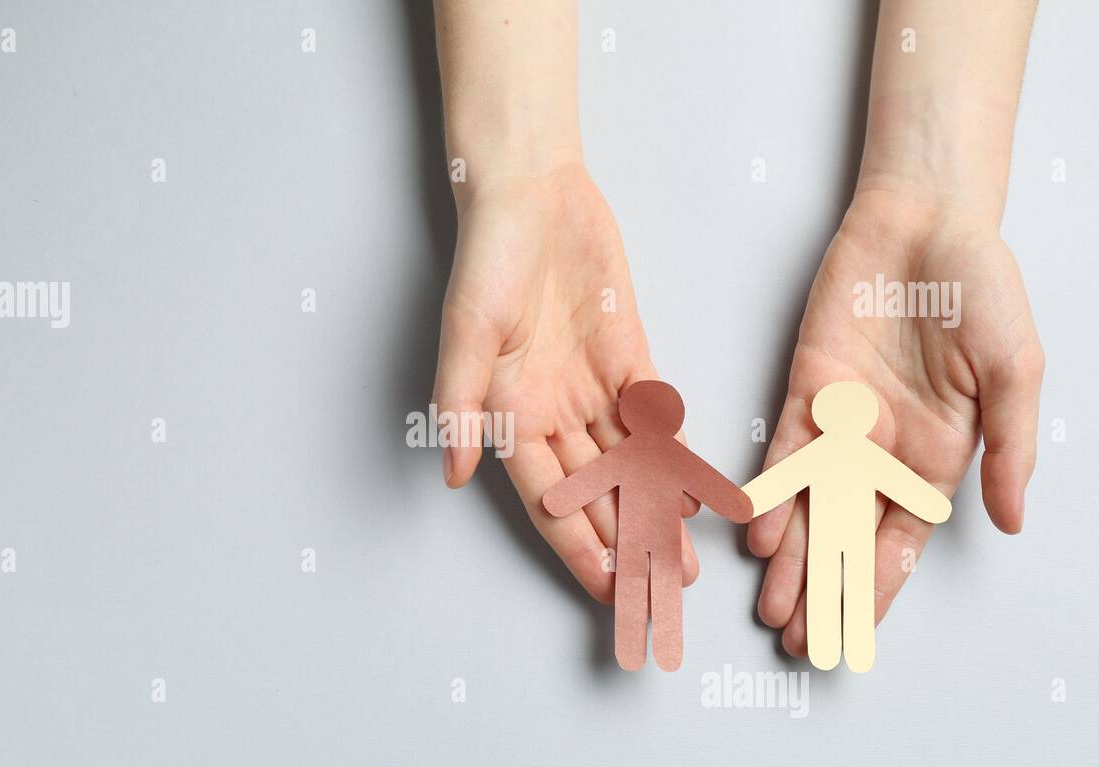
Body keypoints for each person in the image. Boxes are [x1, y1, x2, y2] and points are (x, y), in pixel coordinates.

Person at [430, 1, 1044, 661]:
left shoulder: (658, 449)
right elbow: (720, 486)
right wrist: (519, 169)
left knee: (664, 579)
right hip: (689, 515)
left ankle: (656, 649)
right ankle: (661, 648)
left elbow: (723, 487)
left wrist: (936, 193)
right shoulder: (662, 451)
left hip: (671, 515)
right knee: (670, 576)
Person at [741, 382, 951, 672]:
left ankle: (837, 648)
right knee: (854, 587)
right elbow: (909, 487)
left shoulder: (828, 452)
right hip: (848, 535)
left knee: (828, 583)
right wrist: (934, 506)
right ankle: (848, 648)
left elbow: (778, 483)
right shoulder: (859, 454)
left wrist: (741, 501)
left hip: (832, 534)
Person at [543, 381, 752, 671]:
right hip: (657, 534)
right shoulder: (669, 454)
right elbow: (717, 490)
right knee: (662, 587)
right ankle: (663, 652)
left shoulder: (632, 452)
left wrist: (559, 499)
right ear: (676, 418)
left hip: (634, 535)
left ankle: (641, 650)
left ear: (628, 415)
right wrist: (739, 505)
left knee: (634, 585)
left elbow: (583, 484)